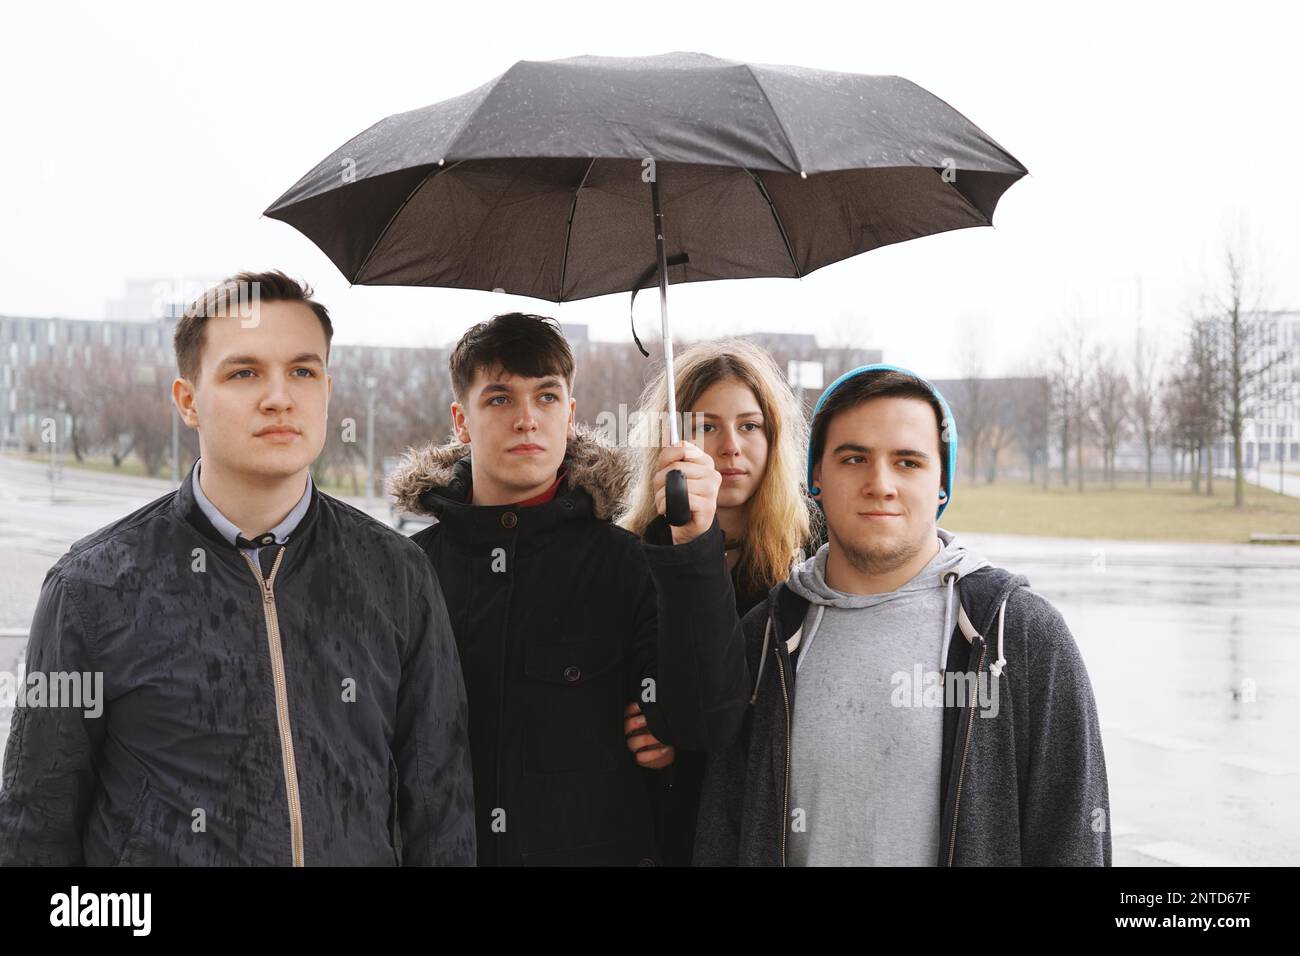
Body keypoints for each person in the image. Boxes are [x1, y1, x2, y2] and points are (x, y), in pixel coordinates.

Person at [0, 271, 475, 866]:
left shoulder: (397, 573)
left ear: (327, 389)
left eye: (302, 371)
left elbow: (440, 807)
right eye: (244, 372)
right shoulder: (92, 587)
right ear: (188, 400)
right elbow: (34, 824)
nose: (278, 396)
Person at [693, 364, 1111, 866]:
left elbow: (1073, 842)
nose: (881, 484)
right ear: (817, 477)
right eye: (854, 459)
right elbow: (721, 836)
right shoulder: (765, 638)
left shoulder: (1017, 636)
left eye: (908, 462)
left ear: (942, 482)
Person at [386, 313, 748, 865]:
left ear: (571, 415)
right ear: (462, 421)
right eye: (501, 399)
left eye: (547, 397)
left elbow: (705, 721)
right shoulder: (409, 571)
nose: (528, 420)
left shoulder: (630, 564)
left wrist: (696, 539)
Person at [617, 338, 822, 864]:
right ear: (670, 441)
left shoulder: (813, 554)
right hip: (672, 831)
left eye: (750, 426)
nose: (731, 447)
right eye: (707, 426)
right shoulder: (630, 557)